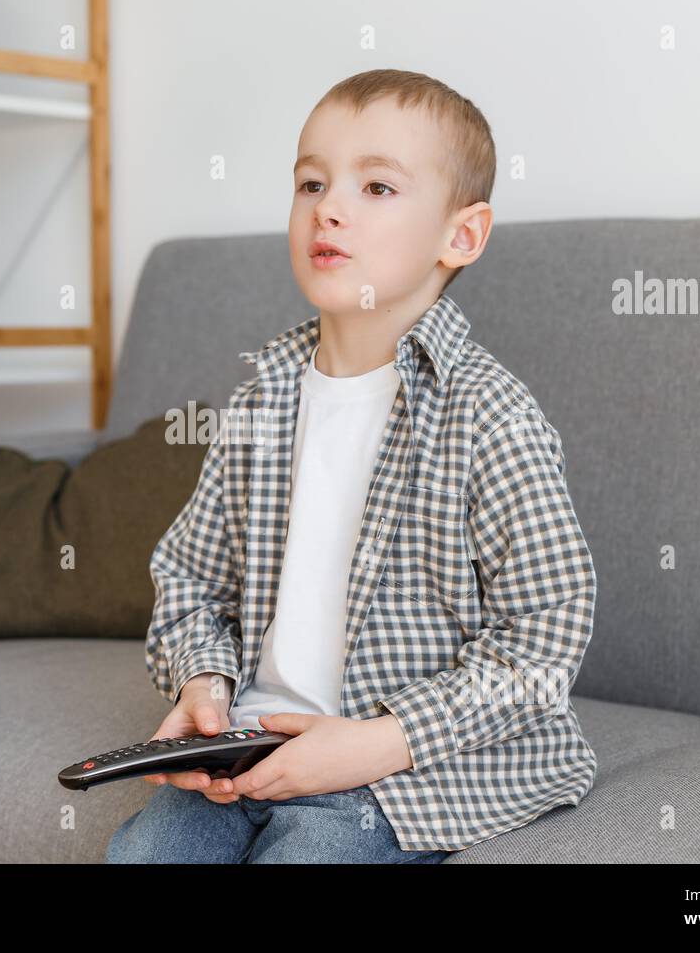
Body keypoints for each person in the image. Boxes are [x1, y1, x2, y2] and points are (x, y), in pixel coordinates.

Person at [107, 69, 598, 863]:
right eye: (311, 182)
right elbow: (190, 578)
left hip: (401, 768)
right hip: (248, 747)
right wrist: (202, 688)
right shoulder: (261, 400)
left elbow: (546, 636)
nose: (327, 207)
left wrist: (379, 743)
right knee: (147, 854)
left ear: (461, 236)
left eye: (376, 186)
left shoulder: (491, 416)